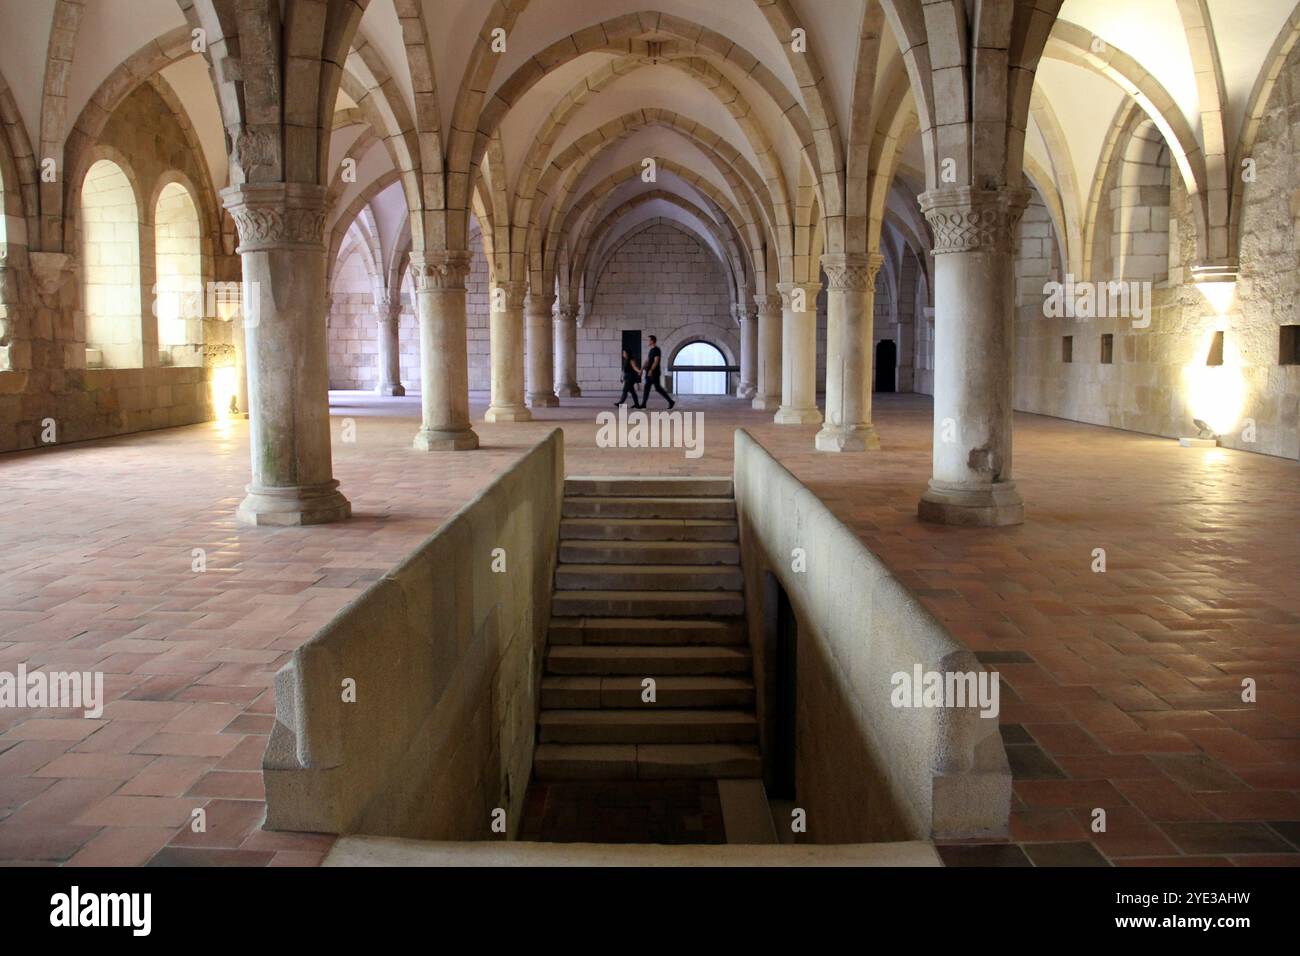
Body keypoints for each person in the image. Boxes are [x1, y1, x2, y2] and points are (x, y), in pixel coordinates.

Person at [640, 334, 675, 408]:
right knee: (647, 388)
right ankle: (643, 404)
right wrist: (642, 368)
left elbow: (656, 361)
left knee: (657, 388)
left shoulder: (656, 350)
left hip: (654, 373)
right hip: (649, 372)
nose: (647, 341)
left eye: (648, 340)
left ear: (652, 341)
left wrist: (651, 370)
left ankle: (671, 401)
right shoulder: (651, 350)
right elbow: (648, 360)